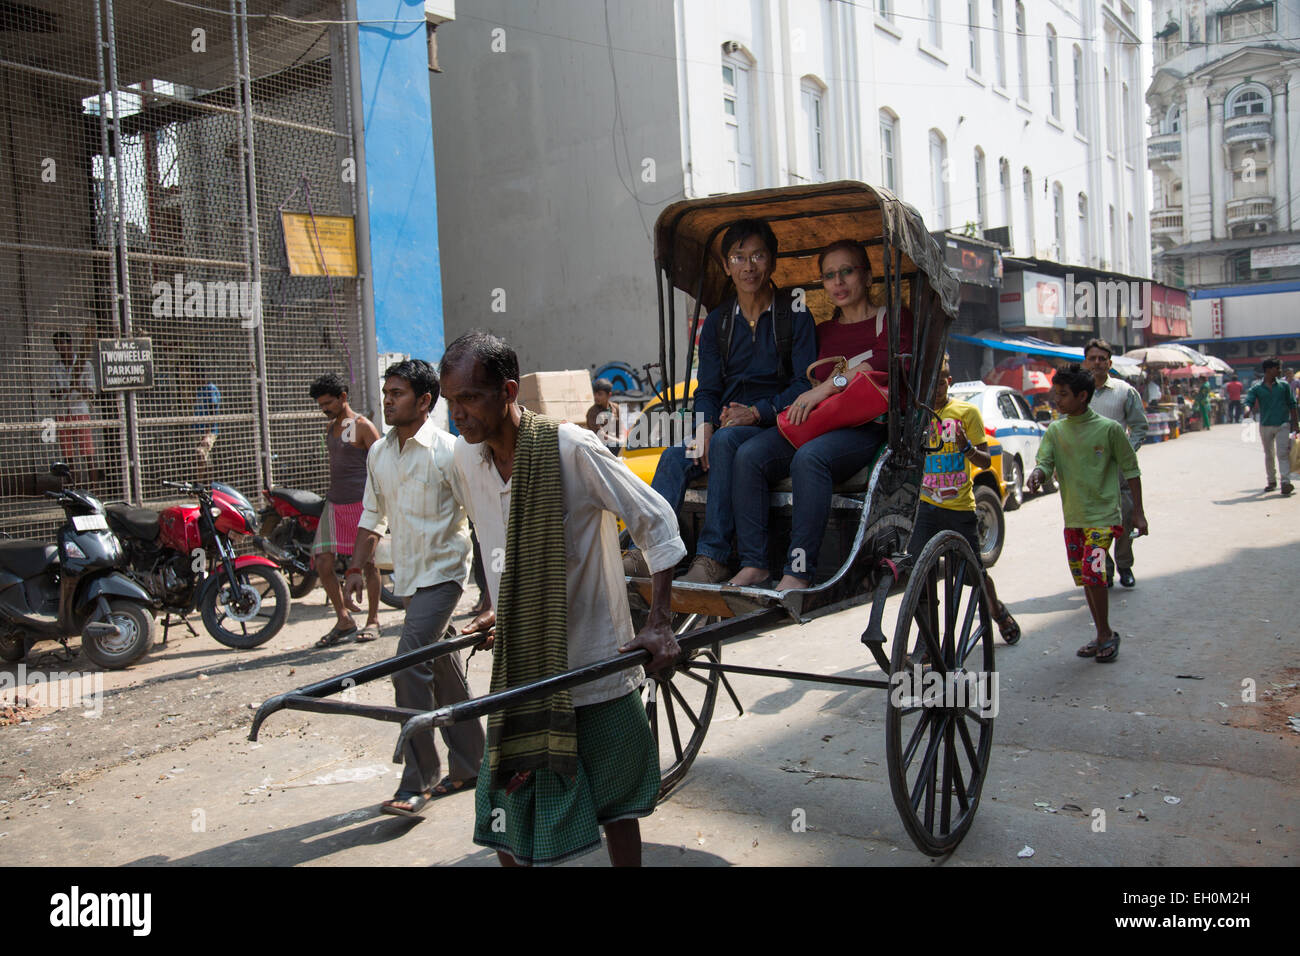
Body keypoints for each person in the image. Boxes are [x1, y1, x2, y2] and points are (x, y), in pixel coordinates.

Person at [440, 331, 685, 868]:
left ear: (508, 391)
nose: (458, 414)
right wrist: (496, 606)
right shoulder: (466, 456)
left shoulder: (570, 449)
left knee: (618, 803)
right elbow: (490, 534)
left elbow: (656, 520)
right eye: (450, 401)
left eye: (471, 398)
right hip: (524, 666)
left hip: (596, 659)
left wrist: (661, 623)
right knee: (504, 797)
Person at [624, 218, 817, 583]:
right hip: (726, 425)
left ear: (772, 262)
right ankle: (646, 552)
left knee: (727, 443)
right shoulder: (718, 323)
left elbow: (804, 385)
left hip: (777, 426)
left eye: (758, 256)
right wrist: (703, 427)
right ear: (727, 266)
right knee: (673, 456)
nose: (749, 266)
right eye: (738, 257)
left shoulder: (794, 315)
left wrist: (757, 411)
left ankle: (713, 556)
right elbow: (708, 389)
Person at [344, 359, 485, 815]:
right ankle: (472, 763)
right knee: (441, 667)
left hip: (444, 577)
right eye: (386, 391)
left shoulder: (450, 452)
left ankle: (420, 777)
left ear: (424, 401)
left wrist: (497, 590)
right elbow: (372, 516)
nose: (388, 399)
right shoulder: (379, 454)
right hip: (408, 578)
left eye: (398, 392)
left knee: (407, 665)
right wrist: (354, 569)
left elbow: (481, 519)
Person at [727, 238, 895, 591]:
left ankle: (798, 571)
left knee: (809, 459)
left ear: (865, 275)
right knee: (749, 454)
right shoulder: (823, 333)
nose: (838, 282)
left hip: (865, 426)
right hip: (821, 420)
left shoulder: (889, 320)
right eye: (829, 275)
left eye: (847, 271)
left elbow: (881, 364)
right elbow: (799, 374)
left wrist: (828, 385)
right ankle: (754, 563)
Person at [1027, 365, 1148, 664]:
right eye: (1056, 394)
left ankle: (1106, 634)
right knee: (1087, 579)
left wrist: (1139, 514)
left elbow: (1131, 471)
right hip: (1074, 517)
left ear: (1083, 396)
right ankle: (1102, 633)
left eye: (1064, 395)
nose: (1057, 400)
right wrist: (1038, 474)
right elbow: (1044, 461)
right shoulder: (1056, 430)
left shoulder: (1109, 430)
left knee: (1095, 574)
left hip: (1104, 516)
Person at [906, 355, 1020, 642]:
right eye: (933, 383)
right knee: (920, 574)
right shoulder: (917, 417)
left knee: (972, 575)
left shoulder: (966, 413)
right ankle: (928, 641)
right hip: (927, 507)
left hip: (960, 508)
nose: (938, 389)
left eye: (943, 381)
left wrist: (965, 446)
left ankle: (997, 610)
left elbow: (984, 461)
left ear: (949, 382)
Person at [308, 372, 383, 646]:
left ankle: (373, 620)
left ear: (343, 397)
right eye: (320, 405)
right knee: (322, 560)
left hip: (361, 504)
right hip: (335, 503)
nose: (324, 409)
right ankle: (343, 619)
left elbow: (381, 466)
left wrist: (380, 507)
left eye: (328, 403)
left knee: (368, 564)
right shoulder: (331, 428)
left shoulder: (361, 426)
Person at [1082, 338, 1148, 589]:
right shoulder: (1079, 392)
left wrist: (1126, 453)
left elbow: (1140, 427)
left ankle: (1124, 564)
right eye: (1092, 358)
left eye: (1102, 359)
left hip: (1118, 471)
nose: (1097, 363)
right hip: (1086, 470)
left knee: (1125, 517)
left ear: (1109, 363)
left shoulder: (1124, 391)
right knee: (1094, 524)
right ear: (1085, 362)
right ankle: (1105, 569)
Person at [1242, 358, 1298, 496]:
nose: (1280, 371)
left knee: (1282, 454)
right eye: (1277, 368)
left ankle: (1285, 482)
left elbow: (1292, 405)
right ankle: (1271, 481)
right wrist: (1247, 410)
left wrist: (1295, 423)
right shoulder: (1257, 388)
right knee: (1269, 454)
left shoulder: (1284, 386)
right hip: (1265, 425)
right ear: (1268, 370)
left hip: (1283, 424)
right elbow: (1248, 401)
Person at [51, 331, 97, 487]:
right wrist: (63, 391)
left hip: (80, 411)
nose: (59, 347)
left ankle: (94, 486)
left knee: (88, 453)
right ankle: (73, 487)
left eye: (62, 343)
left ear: (70, 344)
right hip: (63, 412)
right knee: (68, 454)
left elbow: (91, 391)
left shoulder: (85, 365)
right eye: (56, 344)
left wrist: (78, 388)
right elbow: (53, 392)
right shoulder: (56, 366)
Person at [585, 378, 621, 455]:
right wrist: (620, 442)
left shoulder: (616, 408)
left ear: (609, 395)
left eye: (600, 394)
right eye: (595, 394)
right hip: (600, 449)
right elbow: (600, 435)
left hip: (617, 446)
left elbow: (622, 429)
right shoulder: (592, 412)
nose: (596, 397)